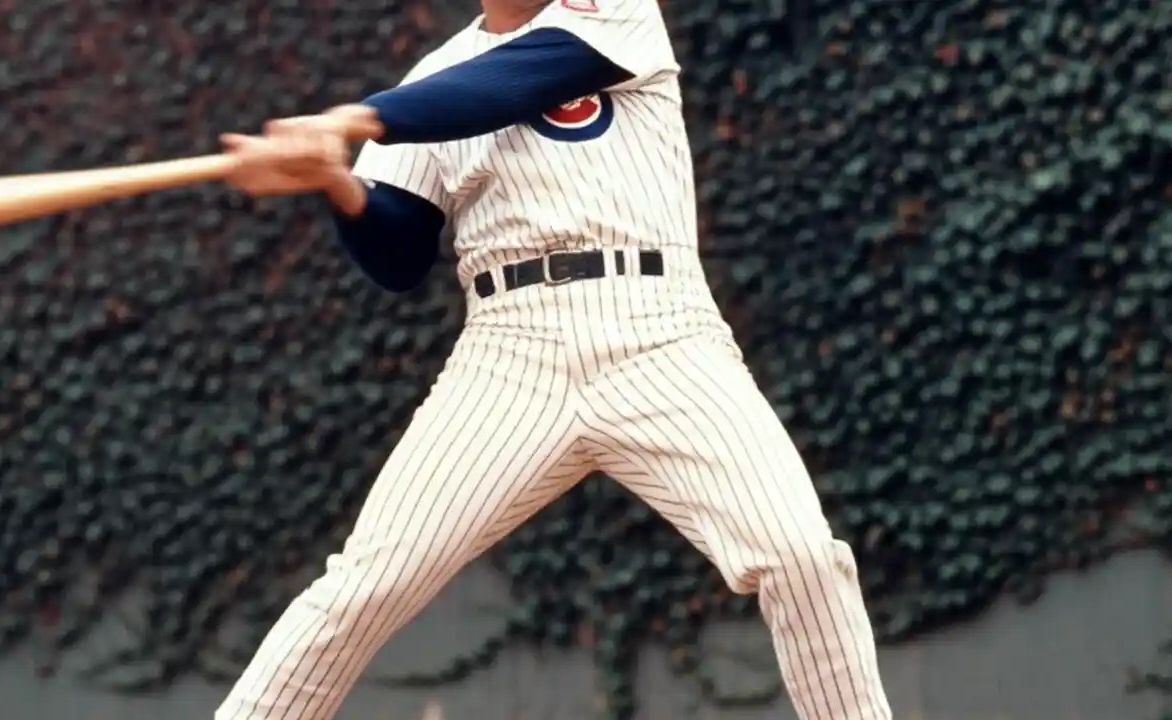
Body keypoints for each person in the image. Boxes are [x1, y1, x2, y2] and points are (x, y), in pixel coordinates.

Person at [214, 1, 893, 718]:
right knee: (366, 584)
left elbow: (510, 83)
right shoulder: (429, 81)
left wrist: (347, 122)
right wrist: (334, 179)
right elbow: (399, 253)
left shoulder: (613, 12)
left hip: (659, 333)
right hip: (510, 353)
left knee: (802, 557)